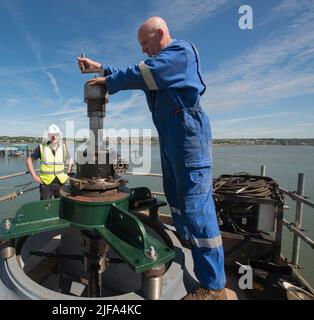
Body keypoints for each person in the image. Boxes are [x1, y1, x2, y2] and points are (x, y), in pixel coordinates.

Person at [77, 16, 226, 300]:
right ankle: (189, 249)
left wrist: (108, 81)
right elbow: (137, 72)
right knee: (178, 202)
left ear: (159, 33)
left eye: (145, 43)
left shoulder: (181, 53)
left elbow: (141, 73)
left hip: (190, 142)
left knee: (197, 209)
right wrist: (101, 68)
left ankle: (213, 286)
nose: (143, 49)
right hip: (172, 144)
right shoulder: (158, 68)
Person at [26, 124, 73, 200]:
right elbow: (29, 160)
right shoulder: (41, 147)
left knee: (62, 204)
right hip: (46, 183)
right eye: (52, 135)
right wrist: (34, 176)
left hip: (61, 182)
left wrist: (68, 174)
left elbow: (70, 160)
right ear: (48, 135)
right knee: (45, 206)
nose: (54, 137)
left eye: (56, 134)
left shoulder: (63, 147)